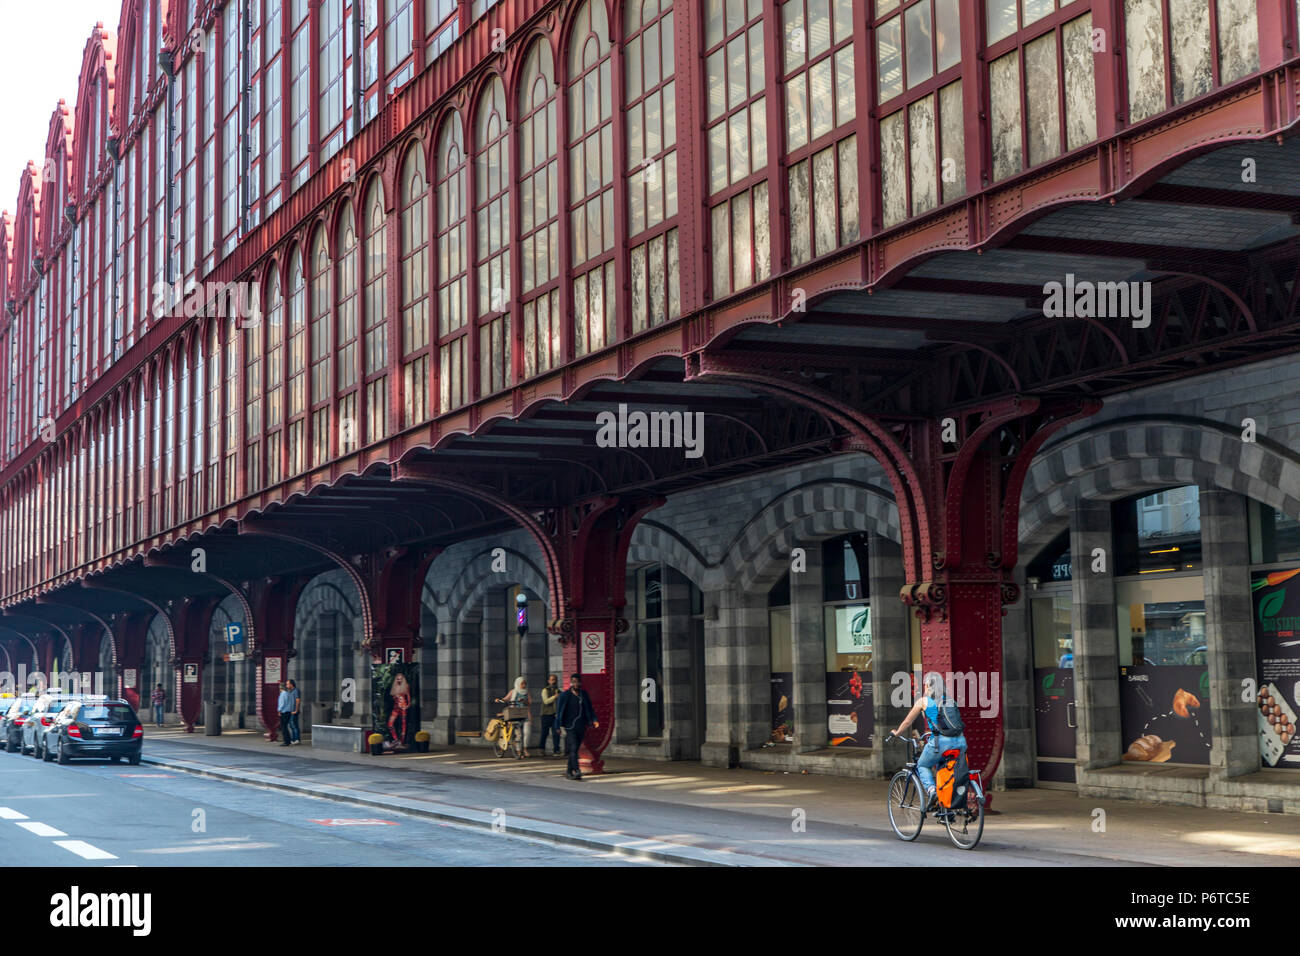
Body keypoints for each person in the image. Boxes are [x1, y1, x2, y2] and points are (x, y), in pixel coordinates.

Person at [889, 673, 967, 809]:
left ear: (927, 685)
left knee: (922, 765)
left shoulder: (923, 701)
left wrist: (897, 733)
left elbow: (907, 722)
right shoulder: (950, 700)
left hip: (941, 743)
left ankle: (932, 791)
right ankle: (947, 806)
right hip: (961, 741)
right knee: (946, 769)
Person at [553, 673, 598, 780]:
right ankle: (577, 770)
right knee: (573, 748)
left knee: (575, 749)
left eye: (578, 682)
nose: (576, 684)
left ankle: (569, 771)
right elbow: (559, 712)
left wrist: (594, 720)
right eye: (574, 682)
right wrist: (557, 726)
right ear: (571, 683)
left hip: (581, 725)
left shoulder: (584, 695)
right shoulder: (565, 696)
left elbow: (590, 709)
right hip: (570, 726)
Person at [495, 677, 532, 757]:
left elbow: (529, 703)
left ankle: (525, 749)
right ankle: (519, 751)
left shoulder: (526, 692)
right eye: (522, 683)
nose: (524, 685)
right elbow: (505, 699)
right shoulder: (513, 691)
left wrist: (524, 701)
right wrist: (499, 700)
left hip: (525, 714)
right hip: (514, 715)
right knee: (518, 734)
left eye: (525, 683)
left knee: (527, 732)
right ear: (518, 684)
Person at [387, 672, 412, 751]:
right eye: (398, 679)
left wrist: (408, 705)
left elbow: (408, 696)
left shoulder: (406, 686)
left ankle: (402, 741)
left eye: (400, 679)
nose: (399, 680)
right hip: (396, 707)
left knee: (403, 724)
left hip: (403, 707)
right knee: (390, 723)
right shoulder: (394, 687)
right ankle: (396, 739)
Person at [539, 674, 561, 757]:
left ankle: (556, 750)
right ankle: (541, 749)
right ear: (548, 681)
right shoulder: (545, 690)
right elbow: (546, 701)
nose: (553, 681)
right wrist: (555, 697)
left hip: (555, 715)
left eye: (555, 680)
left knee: (556, 732)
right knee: (545, 732)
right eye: (552, 680)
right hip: (546, 714)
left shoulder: (558, 691)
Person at [276, 682, 293, 747]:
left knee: (284, 727)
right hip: (288, 712)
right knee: (285, 727)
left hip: (284, 712)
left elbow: (282, 703)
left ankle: (286, 741)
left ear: (280, 688)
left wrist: (279, 710)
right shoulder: (288, 694)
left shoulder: (283, 694)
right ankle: (288, 740)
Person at [285, 678, 302, 745]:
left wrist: (296, 710)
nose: (286, 685)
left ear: (291, 684)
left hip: (294, 711)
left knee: (294, 725)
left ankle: (297, 739)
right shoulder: (289, 692)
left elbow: (298, 700)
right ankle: (293, 739)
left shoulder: (296, 691)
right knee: (292, 725)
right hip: (290, 711)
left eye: (287, 684)